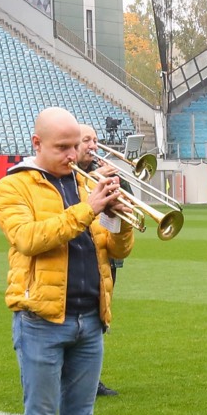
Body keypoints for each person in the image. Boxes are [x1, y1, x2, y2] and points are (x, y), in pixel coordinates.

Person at [0, 107, 134, 415]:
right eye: (62, 147)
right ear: (37, 144)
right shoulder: (13, 185)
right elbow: (29, 239)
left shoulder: (84, 183)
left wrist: (117, 216)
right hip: (40, 320)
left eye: (76, 146)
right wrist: (86, 209)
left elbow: (117, 248)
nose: (73, 155)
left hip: (90, 319)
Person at [76, 123, 124, 397]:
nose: (93, 145)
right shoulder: (68, 175)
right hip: (80, 253)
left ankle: (92, 379)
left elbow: (123, 202)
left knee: (99, 318)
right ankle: (80, 380)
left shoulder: (100, 169)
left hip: (106, 252)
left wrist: (117, 181)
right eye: (87, 140)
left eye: (95, 140)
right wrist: (93, 178)